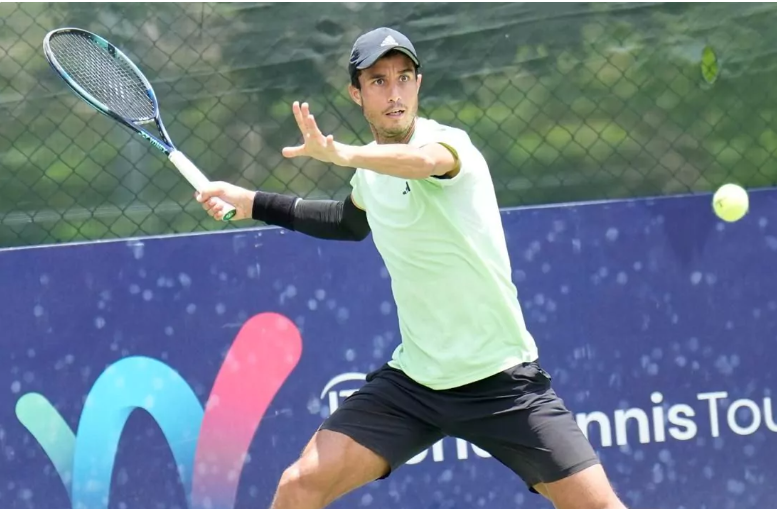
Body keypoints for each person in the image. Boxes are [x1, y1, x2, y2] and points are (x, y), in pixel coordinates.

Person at [196, 27, 629, 509]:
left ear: (419, 84)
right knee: (299, 485)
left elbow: (422, 163)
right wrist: (252, 202)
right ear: (356, 94)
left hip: (501, 381)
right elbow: (346, 221)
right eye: (378, 81)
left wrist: (341, 154)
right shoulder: (371, 175)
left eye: (404, 78)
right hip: (416, 385)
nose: (394, 93)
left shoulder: (447, 145)